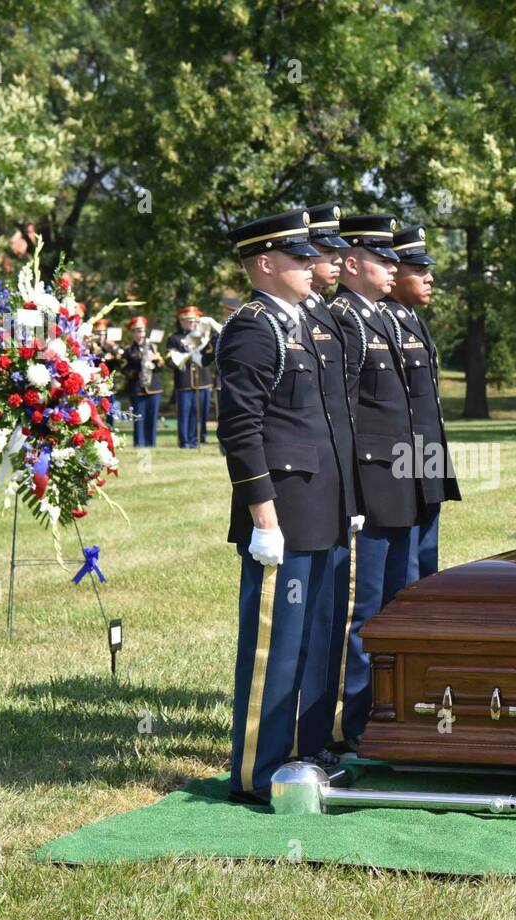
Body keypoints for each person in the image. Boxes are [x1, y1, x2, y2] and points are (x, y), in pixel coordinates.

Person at [217, 208, 347, 802]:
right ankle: (258, 768)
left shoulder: (302, 321)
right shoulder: (253, 326)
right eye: (297, 258)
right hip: (284, 509)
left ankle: (304, 752)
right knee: (275, 643)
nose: (309, 265)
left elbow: (320, 422)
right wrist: (262, 515)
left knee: (315, 635)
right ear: (265, 264)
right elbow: (241, 429)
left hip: (322, 503)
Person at [326, 211, 421, 750]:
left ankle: (391, 708)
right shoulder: (346, 318)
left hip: (399, 477)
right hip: (372, 480)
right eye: (383, 259)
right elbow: (347, 411)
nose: (393, 267)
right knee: (370, 611)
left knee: (397, 601)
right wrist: (356, 487)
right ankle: (359, 720)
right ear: (355, 263)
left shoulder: (381, 314)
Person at [291, 201, 364, 764]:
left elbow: (344, 415)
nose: (334, 259)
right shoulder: (293, 320)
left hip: (335, 491)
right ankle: (299, 739)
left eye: (338, 249)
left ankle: (317, 735)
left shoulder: (326, 319)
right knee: (308, 622)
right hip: (303, 495)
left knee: (329, 617)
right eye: (321, 249)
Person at [385, 223, 460, 581]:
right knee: (407, 568)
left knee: (427, 560)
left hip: (426, 454)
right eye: (418, 269)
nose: (428, 278)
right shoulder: (386, 319)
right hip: (404, 459)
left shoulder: (412, 319)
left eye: (427, 269)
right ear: (392, 271)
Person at [167, 305, 214, 449]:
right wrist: (183, 357)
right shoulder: (174, 338)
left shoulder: (203, 336)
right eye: (189, 320)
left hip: (203, 380)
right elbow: (169, 361)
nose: (193, 323)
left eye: (195, 320)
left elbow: (210, 356)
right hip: (185, 381)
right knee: (185, 414)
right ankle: (185, 441)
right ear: (181, 321)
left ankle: (198, 439)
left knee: (200, 413)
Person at [123, 316, 163, 448]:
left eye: (142, 331)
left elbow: (161, 367)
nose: (141, 334)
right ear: (133, 333)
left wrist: (156, 360)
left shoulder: (153, 347)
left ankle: (151, 443)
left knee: (152, 418)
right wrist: (137, 370)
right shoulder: (128, 350)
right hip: (137, 388)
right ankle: (139, 443)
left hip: (153, 387)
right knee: (139, 418)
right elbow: (124, 369)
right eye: (137, 331)